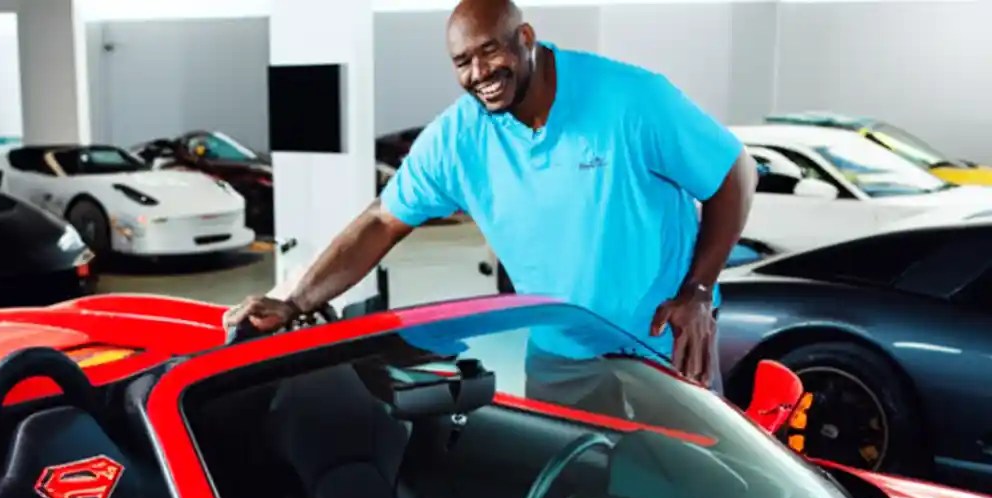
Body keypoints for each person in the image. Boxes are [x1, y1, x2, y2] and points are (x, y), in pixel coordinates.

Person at [223, 0, 755, 397]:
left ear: (525, 37)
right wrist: (295, 301)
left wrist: (700, 291)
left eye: (489, 51)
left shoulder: (630, 100)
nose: (478, 74)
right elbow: (382, 220)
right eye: (462, 62)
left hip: (663, 349)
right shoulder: (458, 139)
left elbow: (734, 172)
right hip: (561, 356)